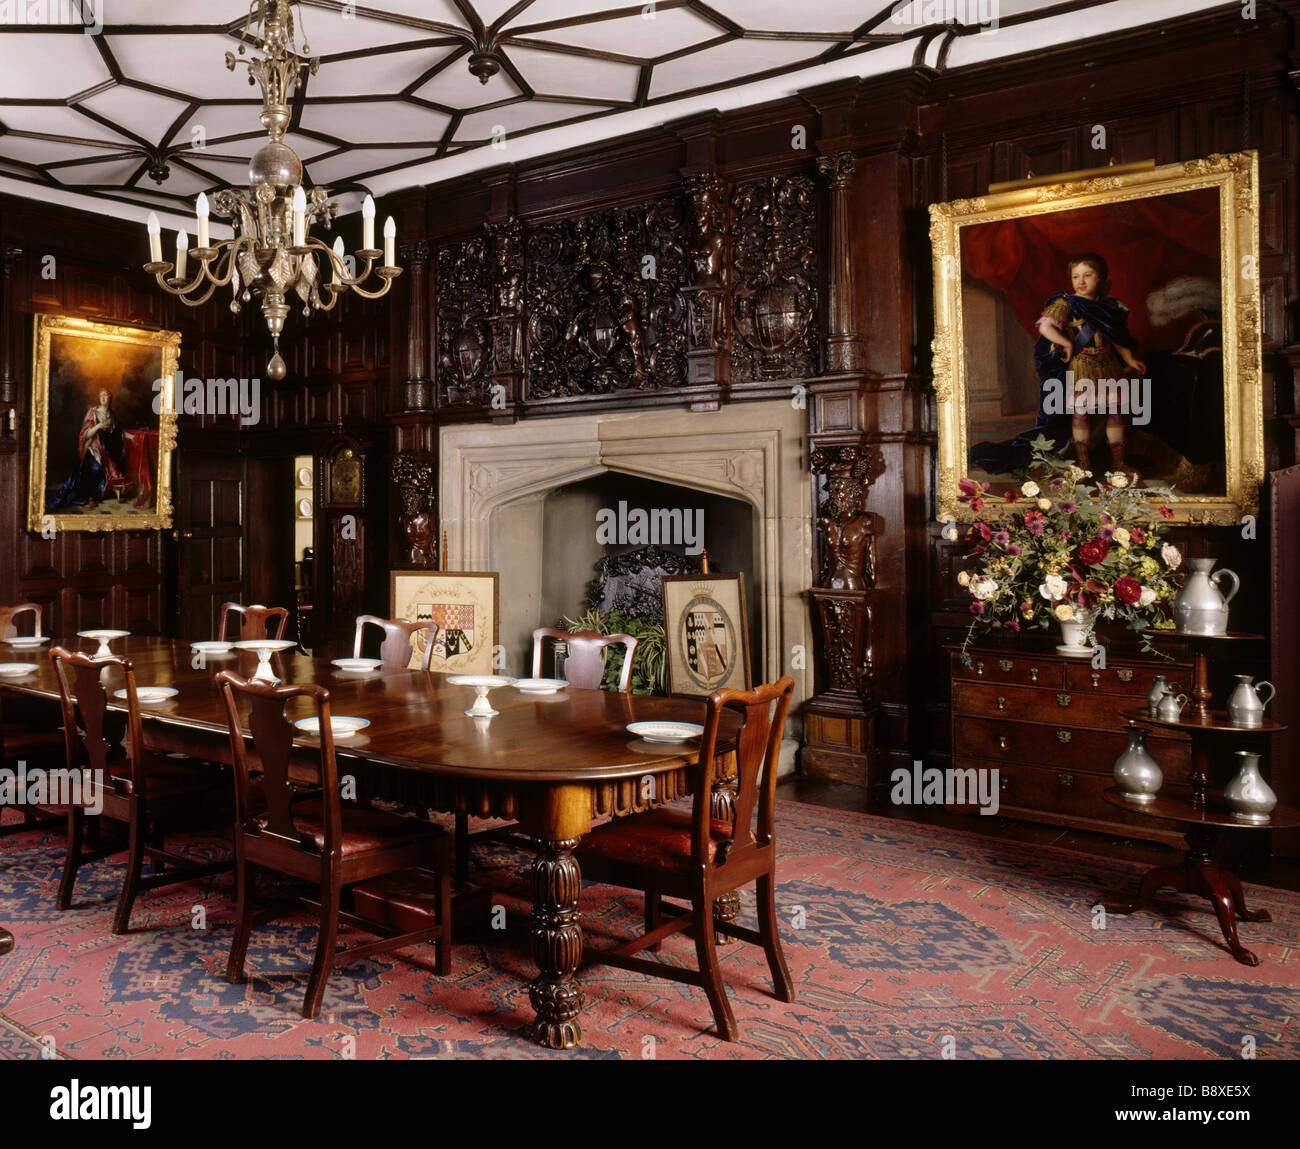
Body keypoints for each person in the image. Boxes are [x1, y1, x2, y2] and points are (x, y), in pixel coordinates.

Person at [968, 252, 1145, 478]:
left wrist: (1130, 360)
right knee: (1081, 414)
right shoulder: (1066, 303)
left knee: (1115, 413)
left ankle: (1118, 464)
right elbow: (1045, 327)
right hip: (1081, 366)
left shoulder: (1111, 307)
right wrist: (1066, 343)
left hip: (1109, 365)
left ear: (1099, 278)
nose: (1080, 282)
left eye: (1087, 275)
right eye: (1075, 276)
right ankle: (1083, 464)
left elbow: (1117, 337)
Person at [46, 388, 127, 510]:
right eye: (101, 396)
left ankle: (95, 494)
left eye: (106, 395)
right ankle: (88, 496)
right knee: (95, 467)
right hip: (94, 447)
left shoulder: (112, 415)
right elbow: (86, 435)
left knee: (113, 464)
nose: (103, 398)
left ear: (110, 398)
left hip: (108, 449)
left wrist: (130, 436)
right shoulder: (93, 413)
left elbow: (117, 433)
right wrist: (99, 426)